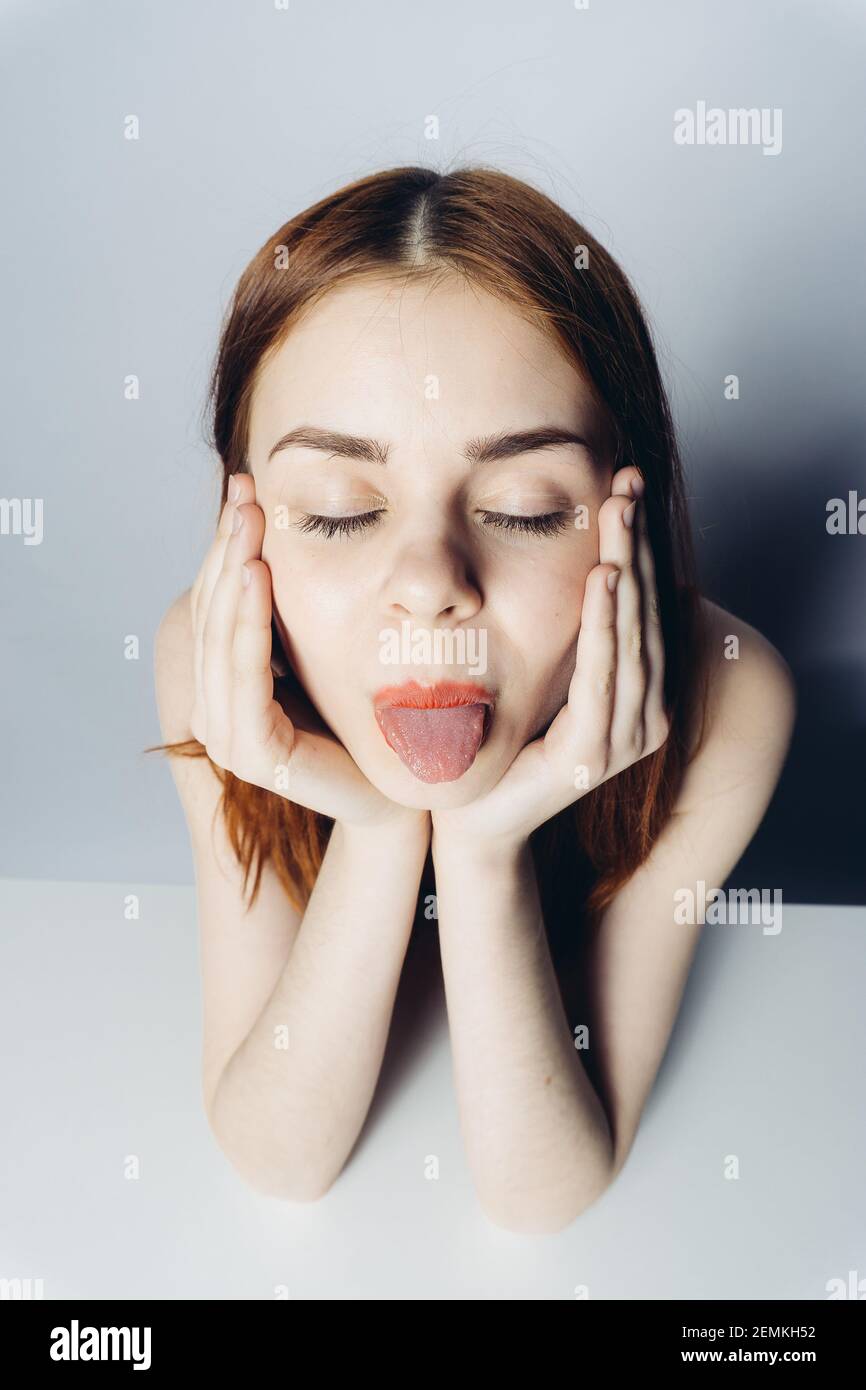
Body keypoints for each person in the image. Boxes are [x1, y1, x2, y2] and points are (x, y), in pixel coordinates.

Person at [150, 165, 796, 1234]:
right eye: (340, 510)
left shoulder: (733, 698)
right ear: (245, 527)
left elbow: (544, 1192)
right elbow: (277, 1155)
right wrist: (374, 820)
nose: (429, 581)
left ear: (619, 515)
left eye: (524, 508)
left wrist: (486, 845)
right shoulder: (209, 656)